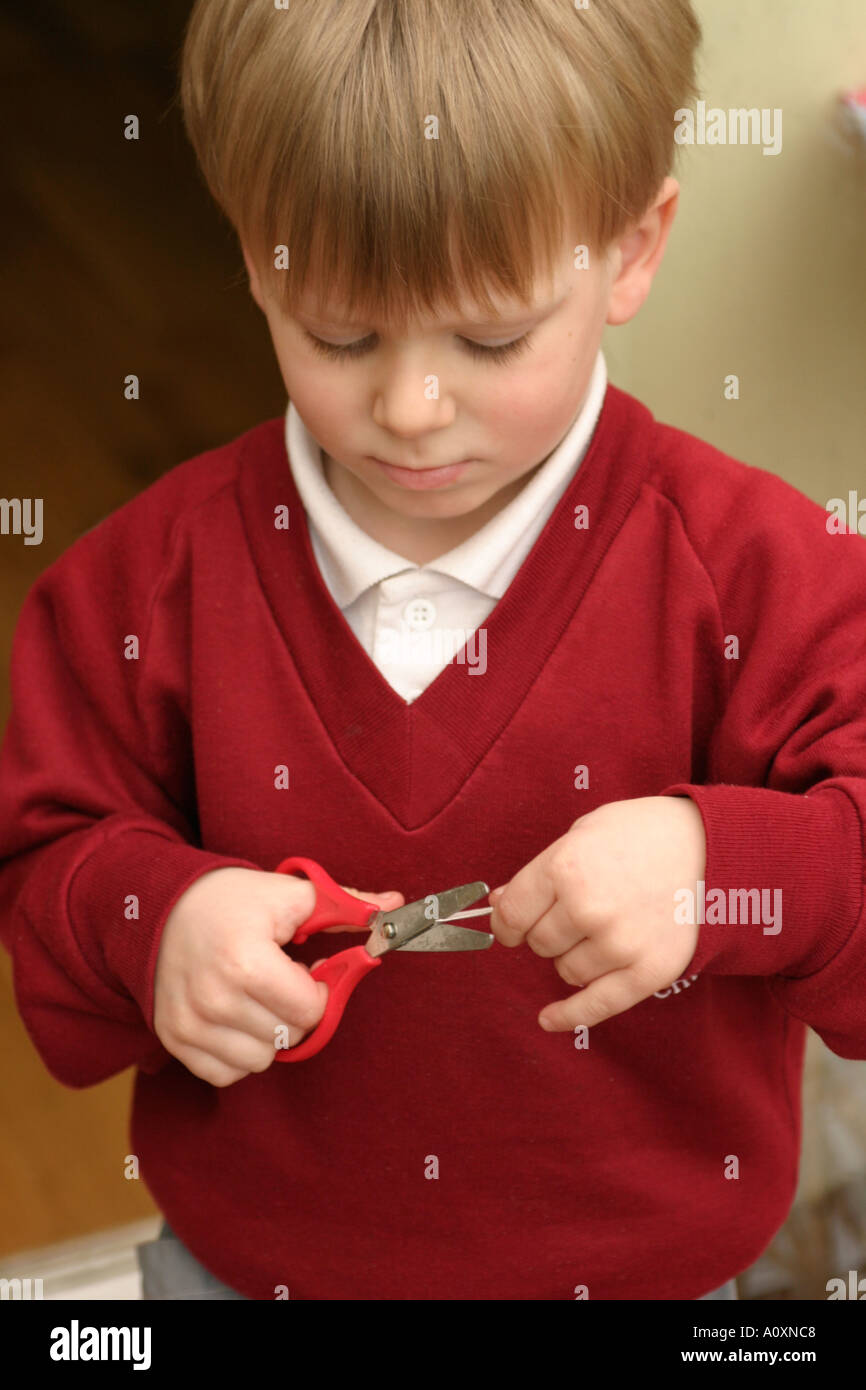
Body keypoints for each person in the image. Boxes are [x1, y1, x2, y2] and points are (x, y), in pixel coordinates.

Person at [1, 0, 864, 1302]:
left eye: (491, 338)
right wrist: (153, 920)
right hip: (238, 1273)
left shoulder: (762, 573)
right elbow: (47, 864)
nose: (408, 409)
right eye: (338, 334)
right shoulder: (134, 591)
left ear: (632, 252)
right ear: (249, 259)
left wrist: (722, 865)